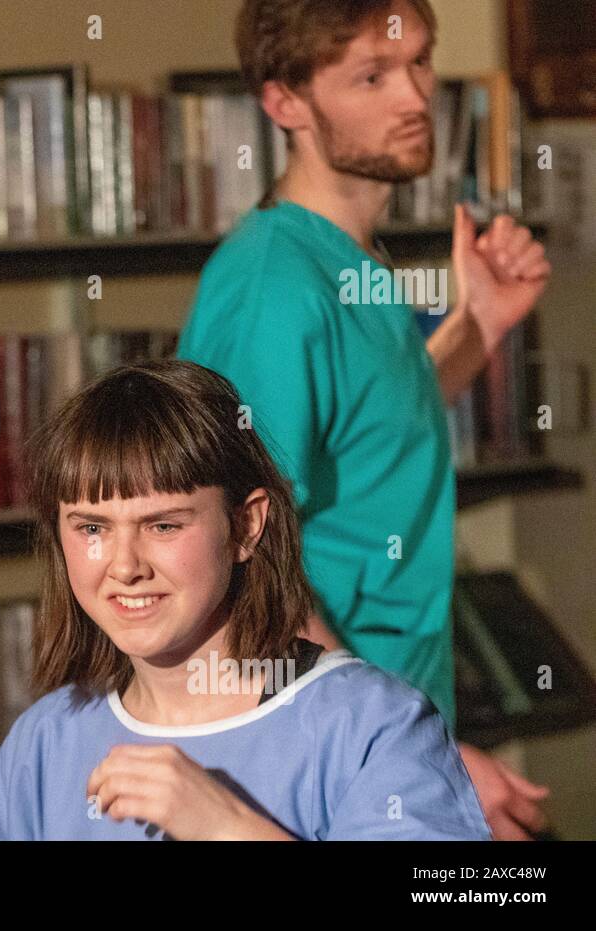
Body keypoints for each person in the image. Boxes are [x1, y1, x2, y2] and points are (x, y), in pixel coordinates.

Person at [176, 0, 551, 839]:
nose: (415, 95)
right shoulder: (275, 287)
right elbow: (238, 553)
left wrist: (478, 327)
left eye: (420, 61)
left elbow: (372, 427)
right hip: (315, 755)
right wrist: (414, 754)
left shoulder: (353, 262)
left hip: (389, 723)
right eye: (372, 76)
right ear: (286, 104)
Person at [0, 360, 490, 840]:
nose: (125, 566)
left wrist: (227, 827)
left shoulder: (371, 726)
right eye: (92, 527)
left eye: (163, 525)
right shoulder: (41, 746)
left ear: (246, 526)